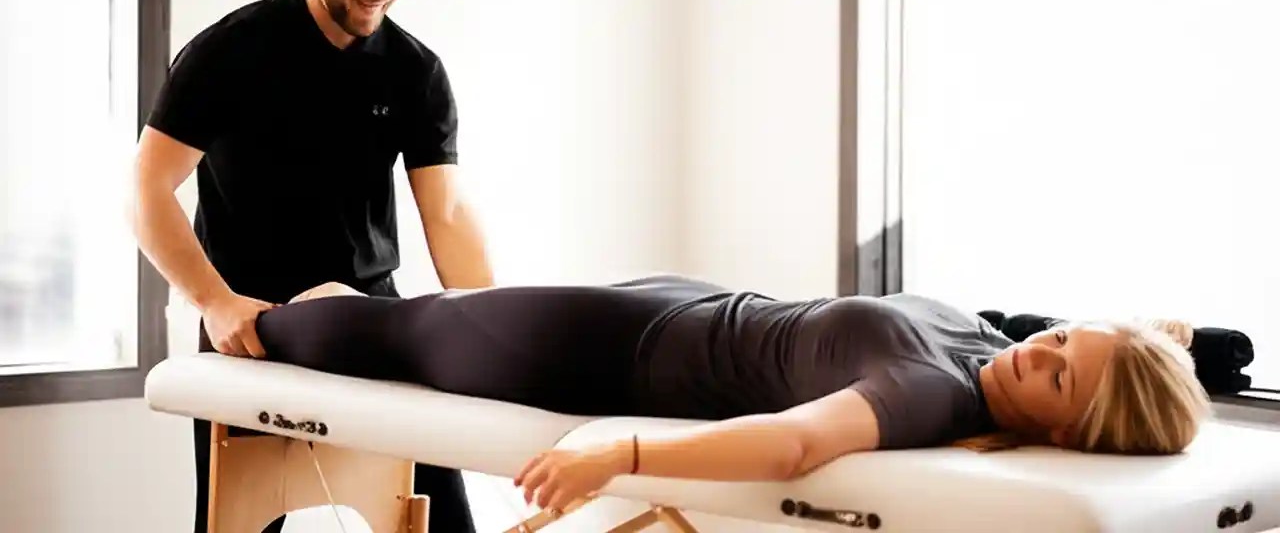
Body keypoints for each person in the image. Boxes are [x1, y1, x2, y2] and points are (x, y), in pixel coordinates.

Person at [130, 0, 493, 533]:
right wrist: (214, 301)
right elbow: (146, 188)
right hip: (251, 332)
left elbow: (444, 213)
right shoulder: (229, 53)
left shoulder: (415, 72)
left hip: (369, 324)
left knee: (449, 522)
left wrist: (490, 331)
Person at [253, 274, 1213, 515]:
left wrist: (618, 453)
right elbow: (1073, 337)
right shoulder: (990, 347)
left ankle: (239, 314)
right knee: (398, 316)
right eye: (1056, 339)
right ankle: (333, 303)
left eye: (1059, 376)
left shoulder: (928, 394)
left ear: (1074, 426)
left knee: (330, 332)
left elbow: (793, 446)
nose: (1036, 353)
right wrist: (1190, 349)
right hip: (678, 301)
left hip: (598, 351)